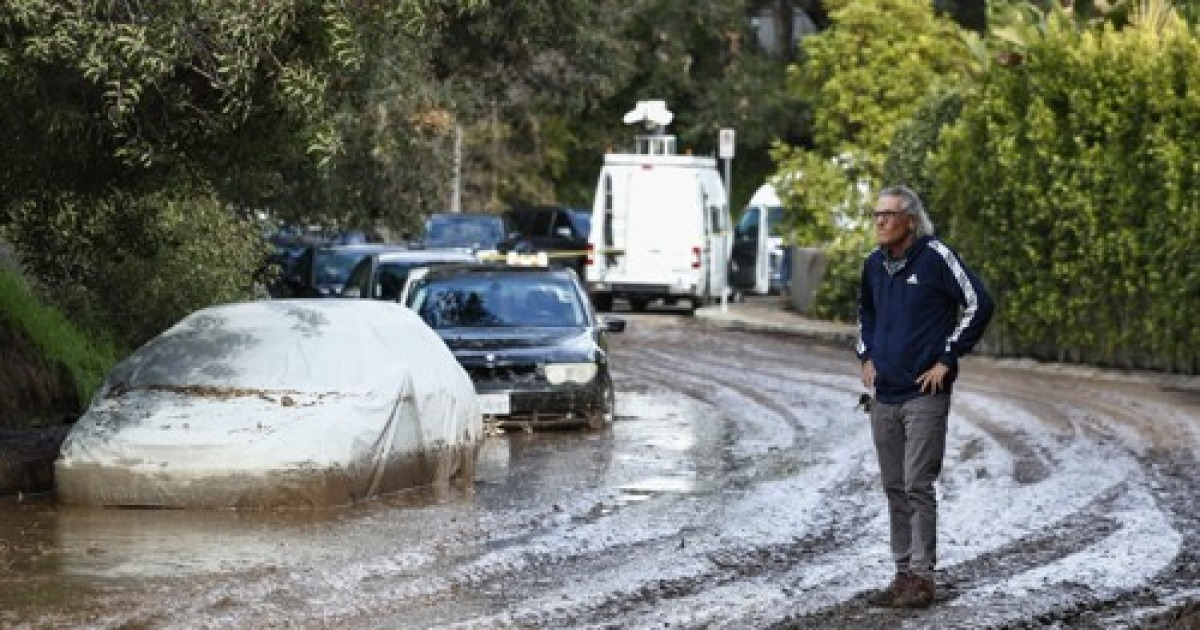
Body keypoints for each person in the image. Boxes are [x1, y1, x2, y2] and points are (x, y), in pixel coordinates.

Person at [856, 185, 994, 609]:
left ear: (910, 221)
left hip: (924, 394)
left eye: (888, 215)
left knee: (918, 484)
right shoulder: (873, 265)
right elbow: (865, 314)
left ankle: (922, 577)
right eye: (876, 215)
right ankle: (902, 576)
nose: (880, 221)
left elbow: (978, 303)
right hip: (885, 394)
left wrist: (948, 356)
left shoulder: (936, 258)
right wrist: (865, 355)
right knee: (894, 486)